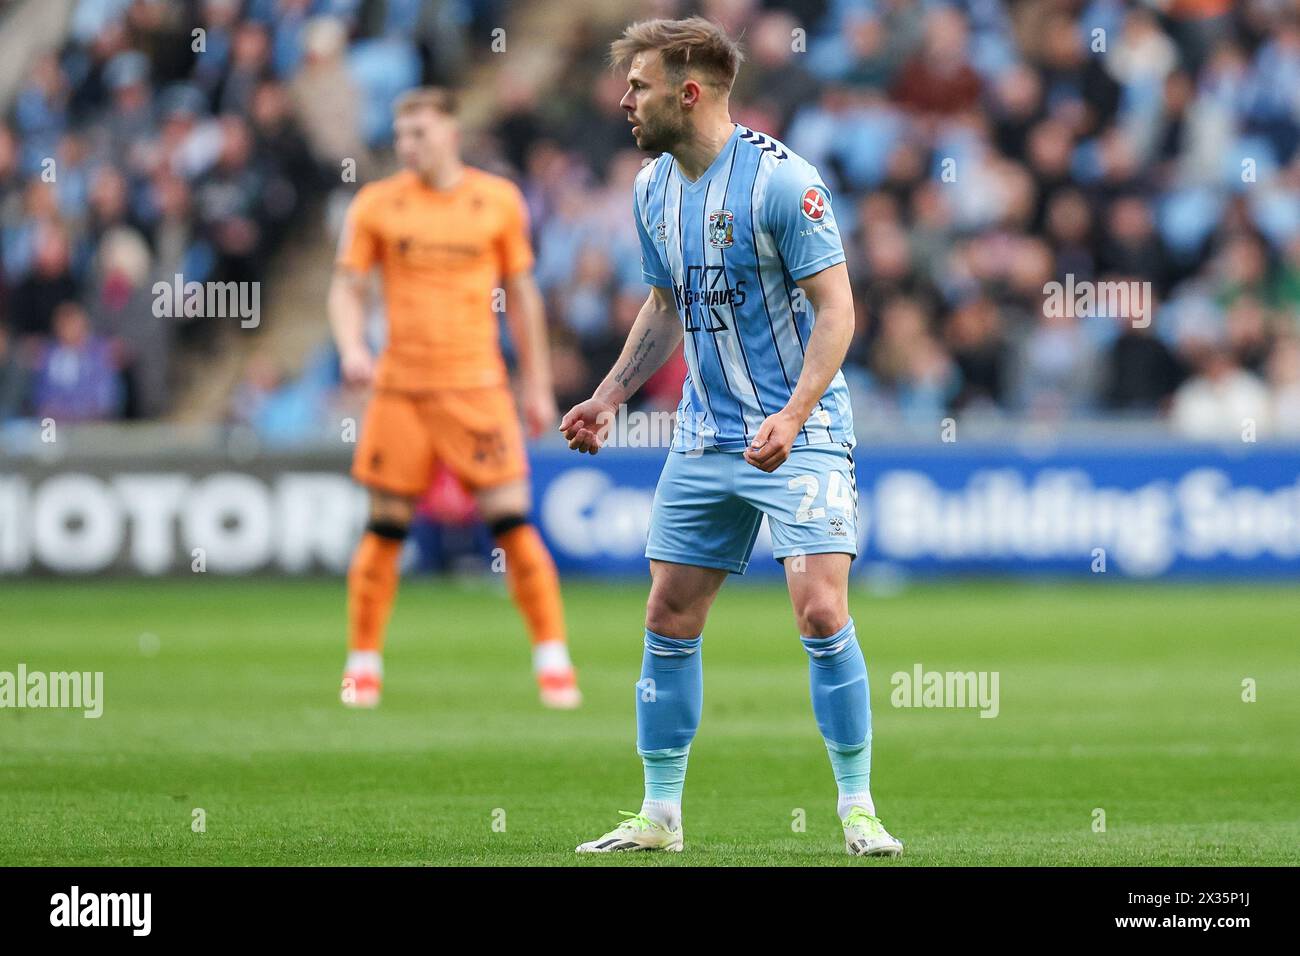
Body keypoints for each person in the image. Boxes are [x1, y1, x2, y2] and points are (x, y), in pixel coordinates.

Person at [562, 18, 902, 856]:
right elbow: (667, 304)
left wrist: (791, 413)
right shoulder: (651, 188)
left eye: (637, 86)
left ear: (690, 91)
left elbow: (839, 310)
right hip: (706, 435)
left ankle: (858, 806)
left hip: (804, 429)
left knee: (821, 612)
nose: (623, 100)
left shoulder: (786, 185)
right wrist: (609, 397)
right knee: (669, 615)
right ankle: (660, 815)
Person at [330, 87, 580, 710]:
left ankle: (553, 660)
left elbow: (522, 297)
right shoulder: (377, 204)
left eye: (419, 133)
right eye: (401, 135)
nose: (407, 145)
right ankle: (362, 665)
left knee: (513, 525)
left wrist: (538, 386)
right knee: (384, 530)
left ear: (450, 132)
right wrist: (352, 348)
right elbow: (345, 287)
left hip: (476, 385)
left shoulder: (496, 201)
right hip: (401, 387)